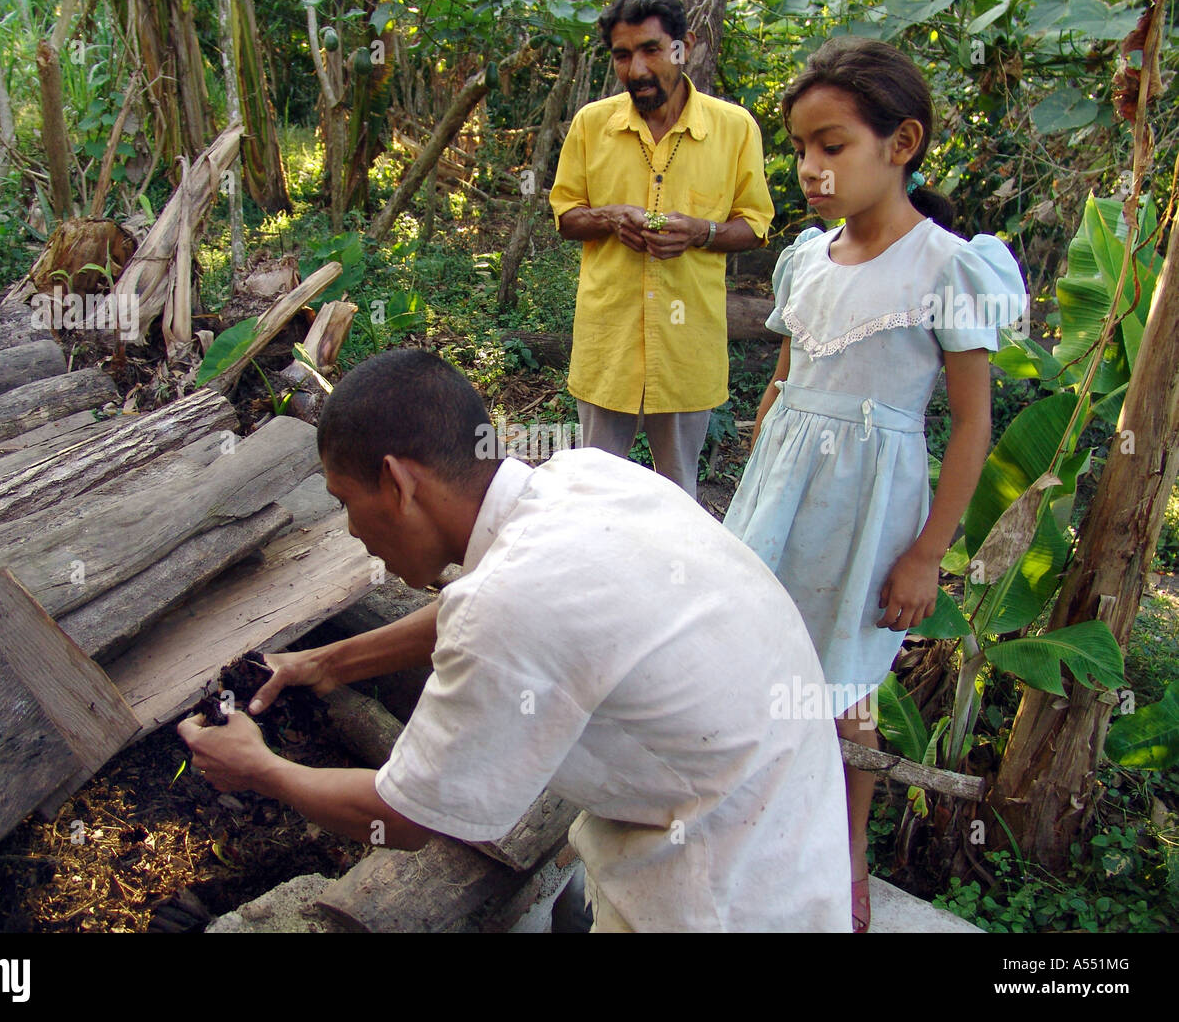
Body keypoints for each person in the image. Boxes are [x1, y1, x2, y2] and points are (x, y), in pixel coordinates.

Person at [180, 348, 852, 932]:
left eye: (345, 499)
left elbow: (407, 817)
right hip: (780, 800)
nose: (351, 529)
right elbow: (482, 610)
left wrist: (261, 770)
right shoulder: (583, 477)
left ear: (398, 483)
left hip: (727, 886)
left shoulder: (509, 602)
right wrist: (319, 663)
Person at [721, 37, 1026, 933]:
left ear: (902, 143)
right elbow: (784, 381)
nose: (812, 170)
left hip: (868, 515)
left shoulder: (948, 268)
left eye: (833, 145)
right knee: (756, 663)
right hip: (778, 494)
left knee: (845, 695)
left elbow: (971, 421)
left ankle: (844, 860)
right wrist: (752, 485)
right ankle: (747, 831)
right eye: (802, 151)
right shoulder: (806, 261)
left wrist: (927, 553)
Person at [549, 0, 773, 498]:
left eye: (651, 49)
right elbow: (566, 216)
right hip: (609, 346)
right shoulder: (592, 124)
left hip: (686, 349)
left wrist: (703, 232)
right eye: (623, 56)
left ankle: (674, 580)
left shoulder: (734, 128)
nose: (638, 69)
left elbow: (755, 224)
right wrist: (609, 218)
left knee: (678, 497)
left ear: (683, 46)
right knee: (594, 495)